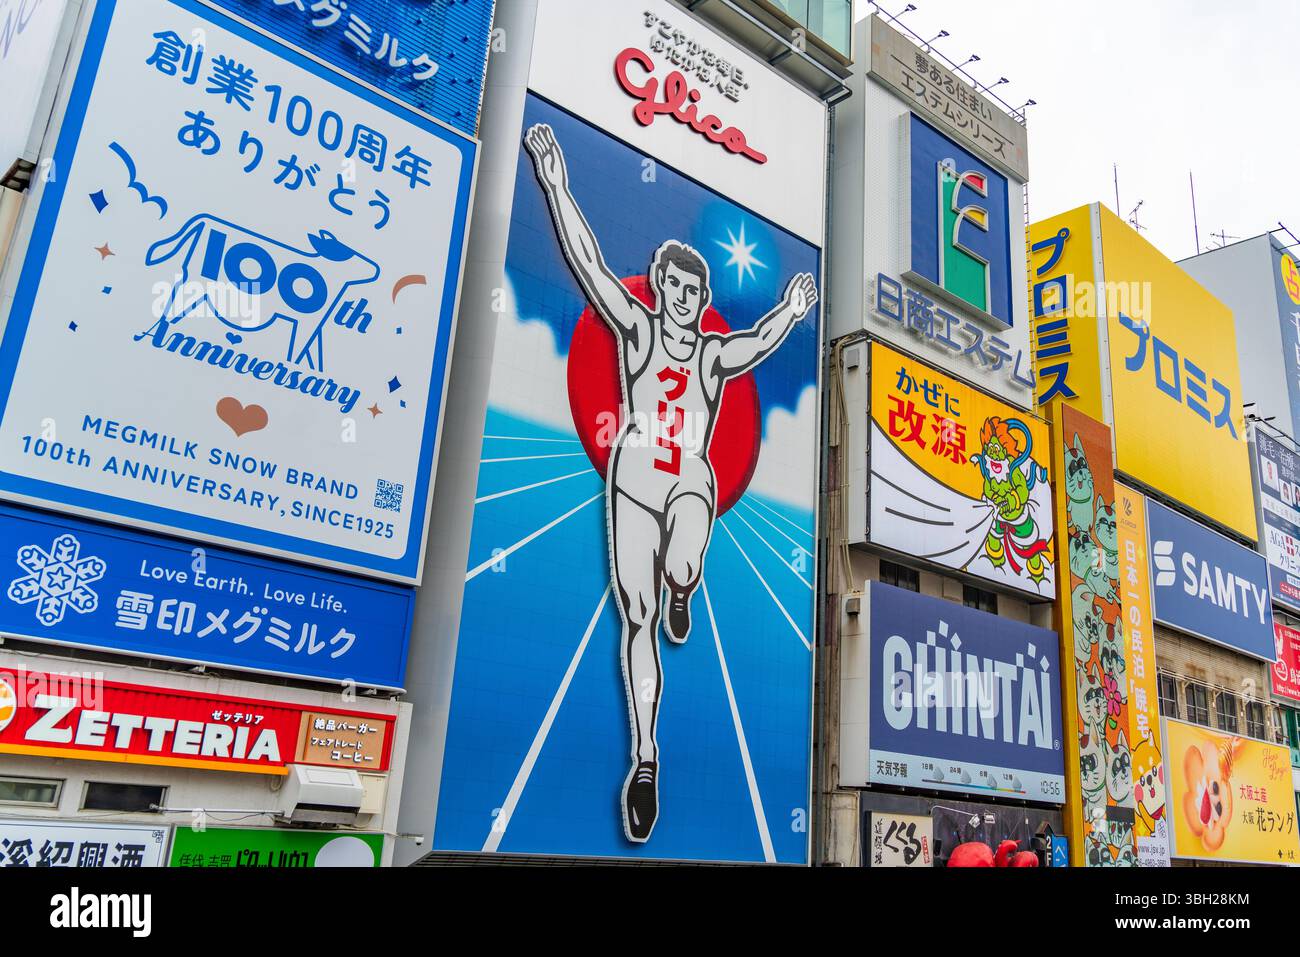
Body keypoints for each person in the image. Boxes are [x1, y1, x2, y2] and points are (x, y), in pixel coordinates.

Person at [524, 123, 817, 843]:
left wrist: (791, 310)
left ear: (702, 295)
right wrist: (557, 184)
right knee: (635, 614)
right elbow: (588, 264)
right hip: (631, 476)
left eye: (694, 288)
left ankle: (686, 583)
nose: (683, 296)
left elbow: (759, 344)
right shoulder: (636, 328)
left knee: (683, 561)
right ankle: (646, 758)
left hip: (688, 476)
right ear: (661, 288)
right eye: (674, 285)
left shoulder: (714, 354)